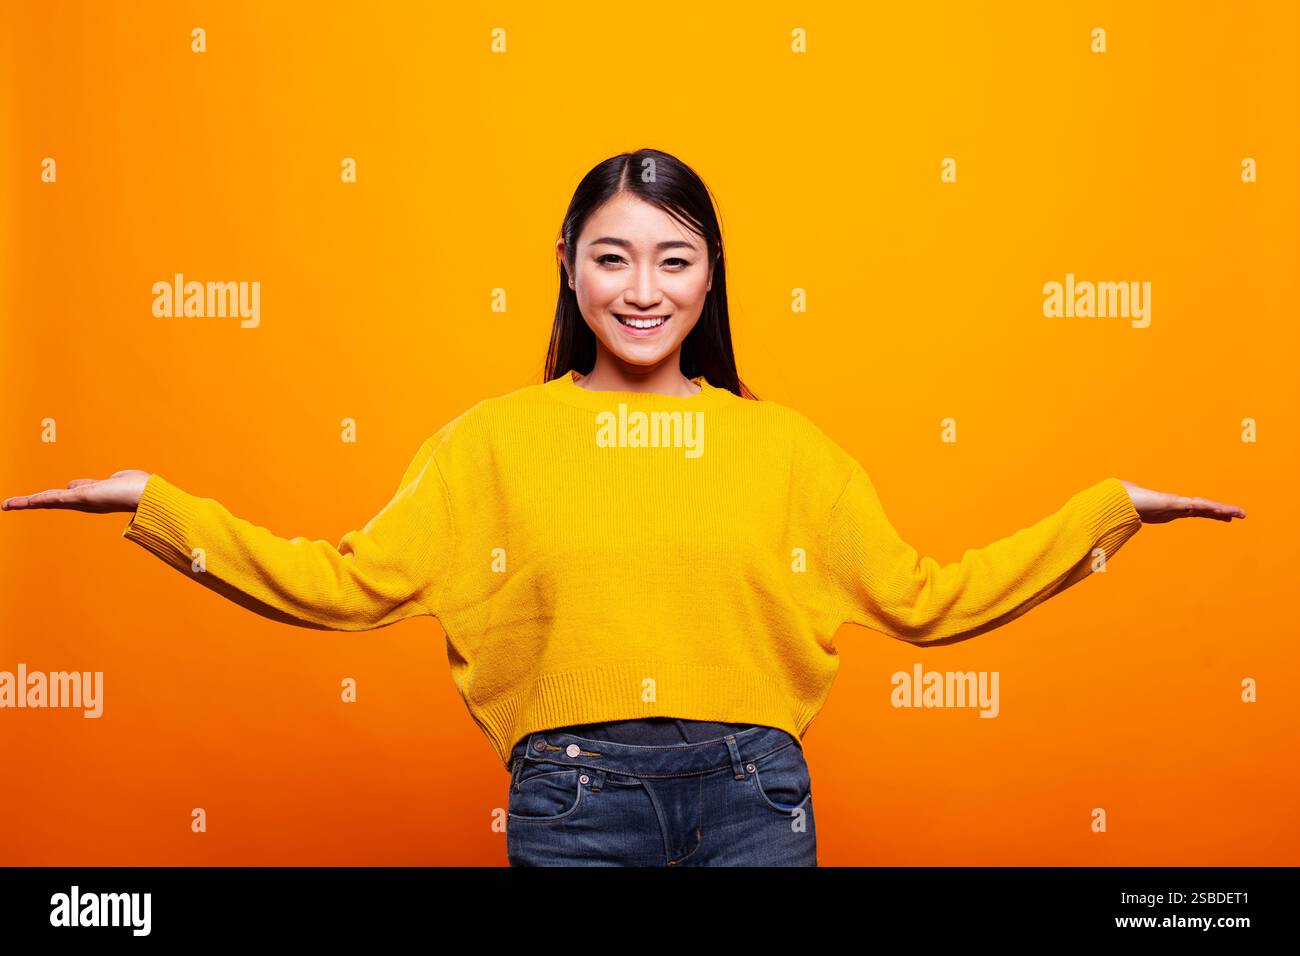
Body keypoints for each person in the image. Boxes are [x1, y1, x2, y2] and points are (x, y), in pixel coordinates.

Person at [2, 147, 1246, 867]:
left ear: (709, 275)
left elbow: (928, 600)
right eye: (612, 254)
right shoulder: (491, 440)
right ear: (566, 265)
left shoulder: (783, 448)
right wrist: (154, 502)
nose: (642, 287)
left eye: (674, 256)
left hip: (759, 798)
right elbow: (344, 583)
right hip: (572, 796)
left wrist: (1108, 508)